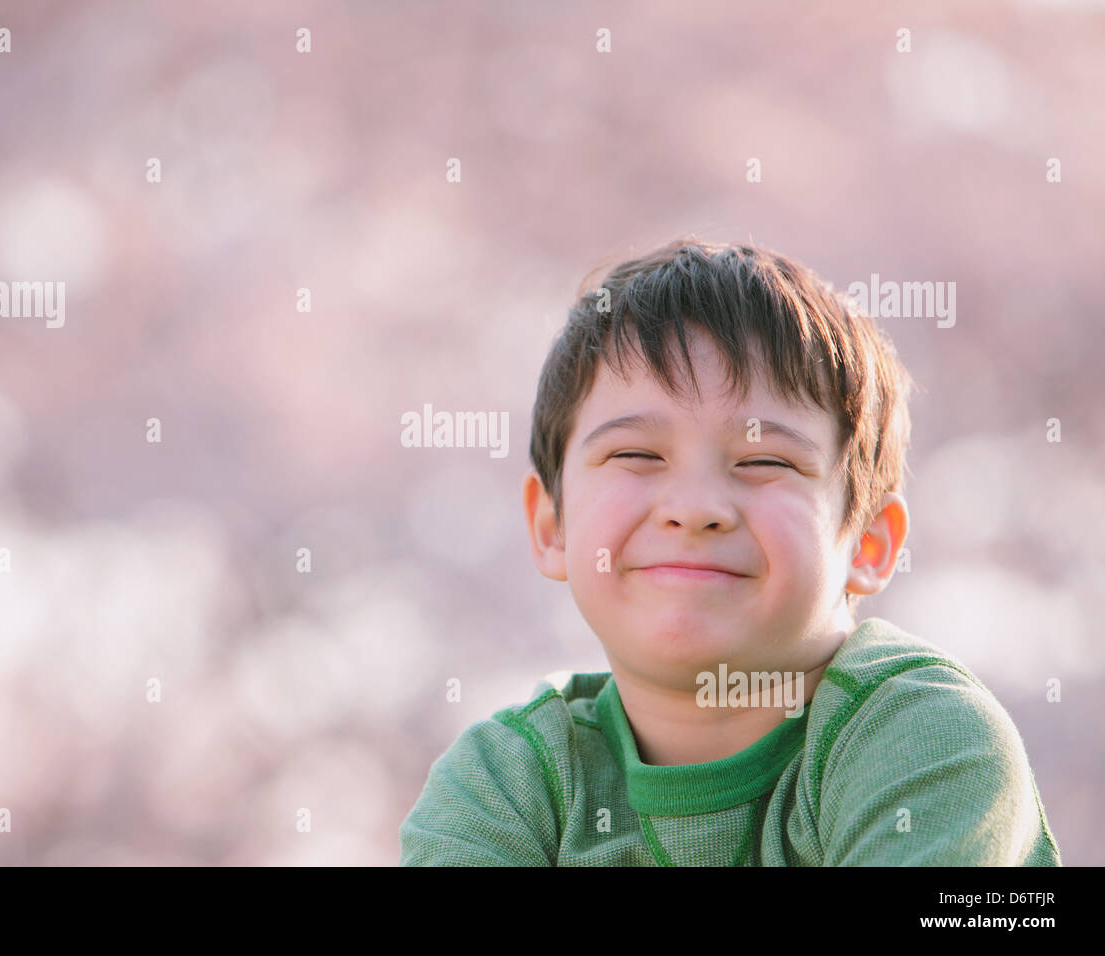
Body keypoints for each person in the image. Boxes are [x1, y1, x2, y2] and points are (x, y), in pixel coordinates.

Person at [398, 238, 1061, 865]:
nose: (696, 508)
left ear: (869, 543)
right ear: (551, 527)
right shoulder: (504, 786)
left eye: (763, 460)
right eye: (635, 454)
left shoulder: (925, 739)